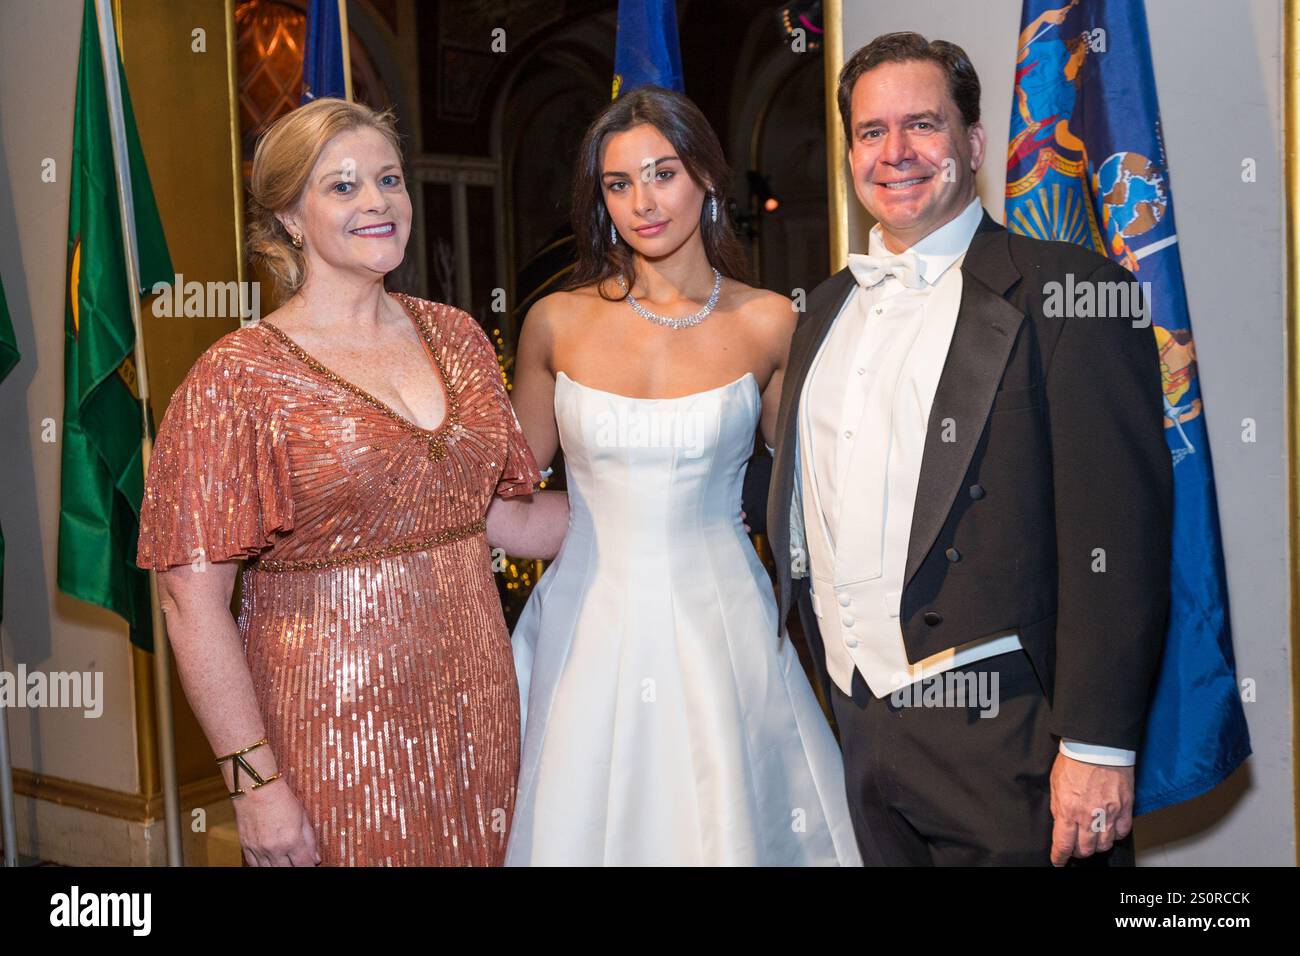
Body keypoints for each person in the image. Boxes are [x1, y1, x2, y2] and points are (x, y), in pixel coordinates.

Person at [766, 32, 1173, 866]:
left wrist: (1097, 747)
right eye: (872, 131)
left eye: (923, 124)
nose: (897, 152)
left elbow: (1118, 538)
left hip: (1010, 734)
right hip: (859, 722)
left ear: (974, 143)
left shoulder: (1072, 291)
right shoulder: (823, 310)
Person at [136, 98, 567, 866]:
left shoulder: (459, 338)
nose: (376, 201)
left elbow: (504, 521)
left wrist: (673, 512)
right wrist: (254, 785)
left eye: (389, 179)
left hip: (483, 716)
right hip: (331, 731)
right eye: (341, 186)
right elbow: (189, 600)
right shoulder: (238, 377)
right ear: (289, 217)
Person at [504, 86, 861, 866]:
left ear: (704, 177)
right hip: (585, 623)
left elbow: (812, 493)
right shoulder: (555, 322)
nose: (643, 202)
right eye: (618, 184)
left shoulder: (769, 320)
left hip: (721, 620)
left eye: (662, 174)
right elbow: (510, 488)